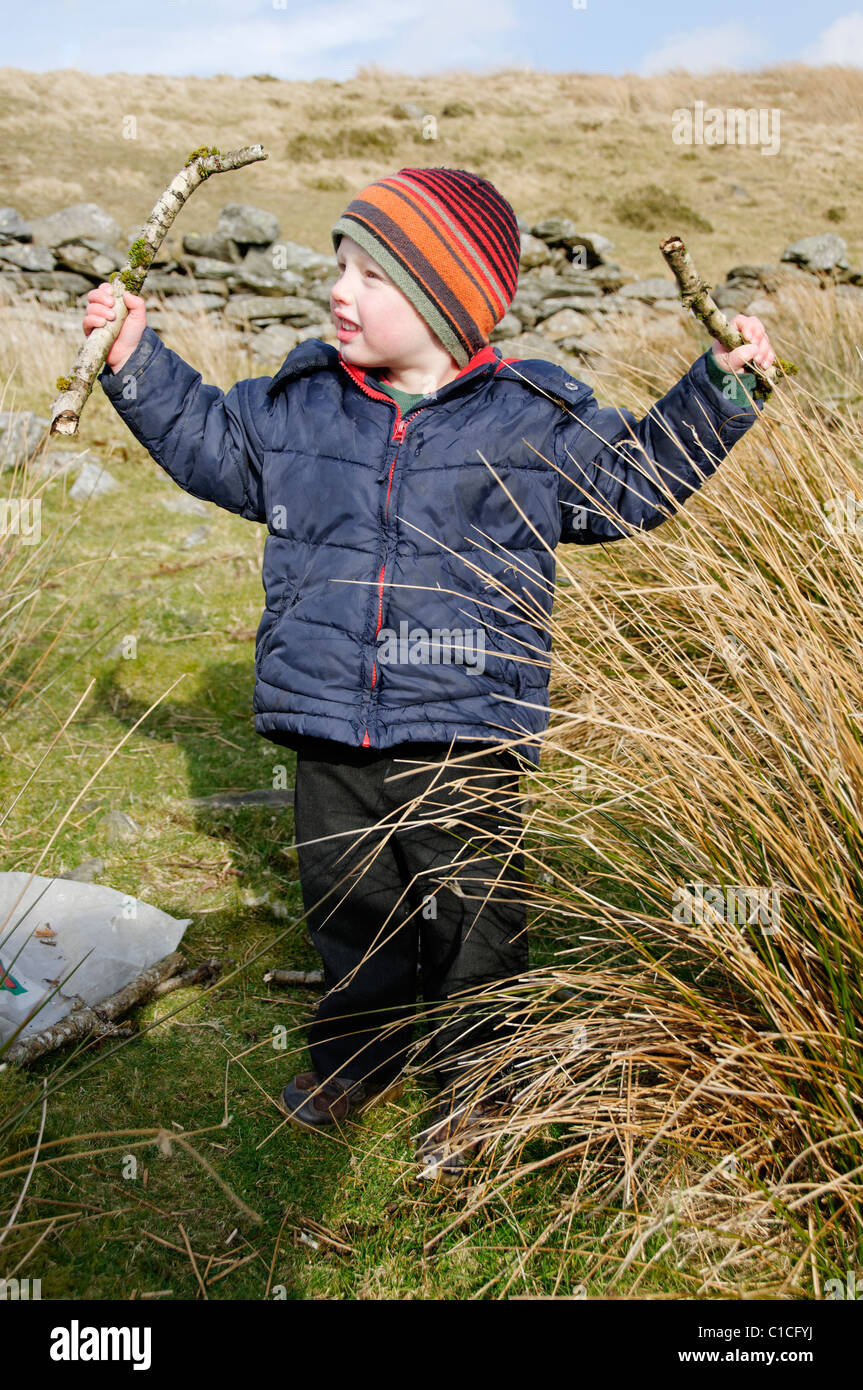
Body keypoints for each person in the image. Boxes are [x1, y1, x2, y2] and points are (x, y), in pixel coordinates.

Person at [84, 165, 774, 1181]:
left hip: (465, 725)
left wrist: (720, 391)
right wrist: (134, 354)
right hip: (327, 721)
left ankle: (480, 1083)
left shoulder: (530, 418)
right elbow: (206, 444)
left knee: (472, 915)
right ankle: (357, 1052)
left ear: (449, 303)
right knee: (350, 903)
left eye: (370, 273)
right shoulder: (300, 404)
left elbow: (631, 484)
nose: (338, 290)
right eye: (337, 265)